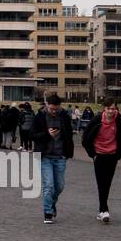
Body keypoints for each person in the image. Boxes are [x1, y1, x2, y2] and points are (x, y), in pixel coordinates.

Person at [81, 96, 121, 223]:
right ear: (104, 109)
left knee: (107, 183)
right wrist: (93, 154)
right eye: (108, 109)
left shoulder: (119, 122)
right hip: (99, 155)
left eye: (113, 109)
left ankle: (102, 210)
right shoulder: (96, 120)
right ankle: (104, 209)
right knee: (101, 183)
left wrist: (120, 154)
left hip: (112, 156)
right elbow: (85, 138)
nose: (111, 111)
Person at [32, 93, 74, 224]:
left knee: (59, 186)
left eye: (56, 109)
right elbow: (31, 134)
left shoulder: (64, 116)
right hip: (45, 156)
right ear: (47, 106)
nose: (54, 111)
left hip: (60, 156)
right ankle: (47, 212)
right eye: (51, 109)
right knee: (49, 185)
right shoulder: (39, 116)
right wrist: (47, 134)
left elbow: (69, 134)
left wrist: (68, 151)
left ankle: (51, 203)